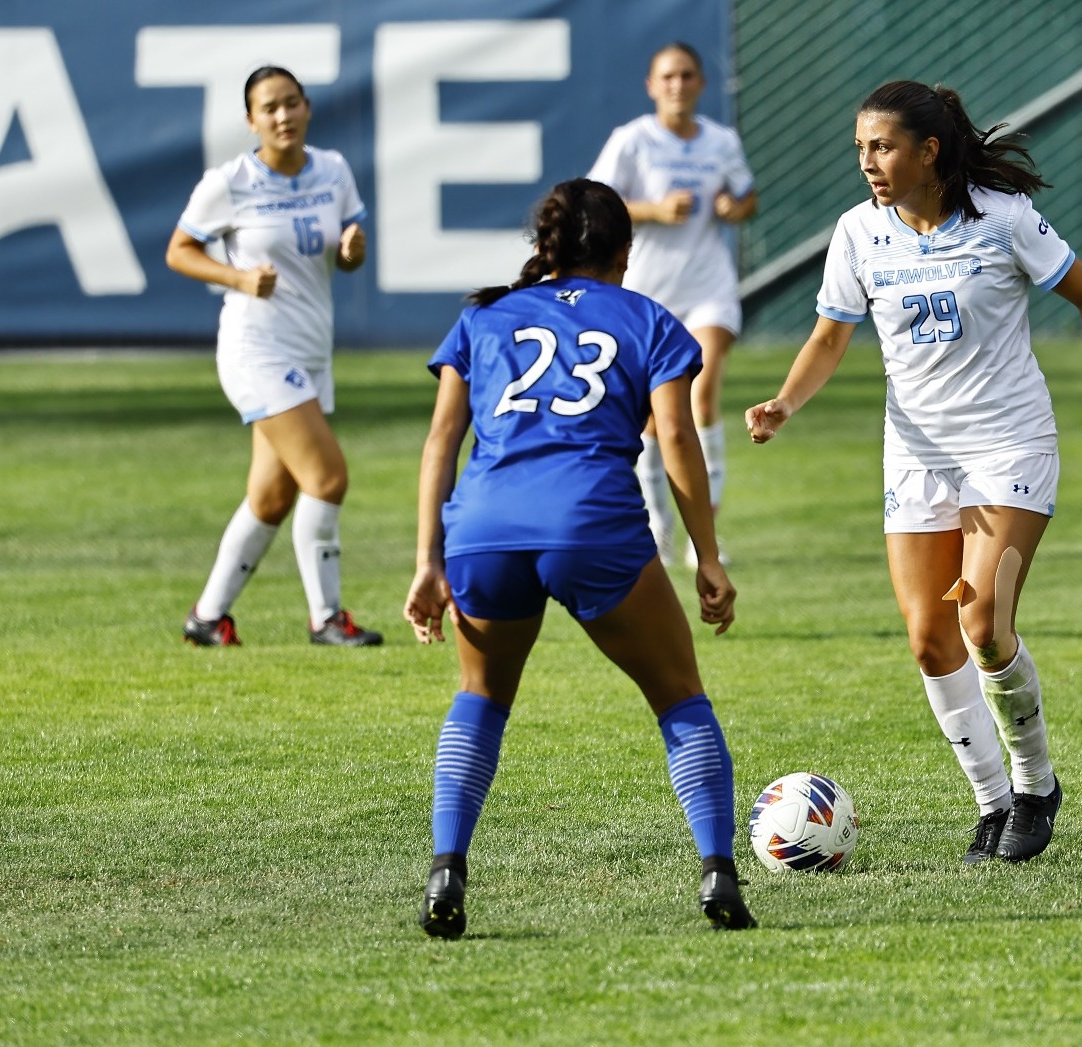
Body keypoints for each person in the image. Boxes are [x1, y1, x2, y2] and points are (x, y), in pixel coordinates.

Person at [744, 81, 1082, 866]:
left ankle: (1034, 786)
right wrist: (785, 403)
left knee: (981, 623)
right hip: (918, 457)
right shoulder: (859, 232)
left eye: (882, 146)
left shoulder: (1002, 218)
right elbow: (829, 338)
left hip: (1008, 448)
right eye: (859, 148)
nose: (868, 163)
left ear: (928, 151)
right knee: (931, 640)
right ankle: (992, 805)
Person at [404, 178, 754, 937]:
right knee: (678, 694)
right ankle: (717, 873)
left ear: (545, 248)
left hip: (484, 527)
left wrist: (428, 559)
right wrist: (708, 556)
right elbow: (677, 441)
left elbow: (440, 442)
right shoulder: (647, 319)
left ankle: (445, 867)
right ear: (626, 254)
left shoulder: (485, 316)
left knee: (480, 697)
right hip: (588, 522)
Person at [166, 65, 382, 648]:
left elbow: (346, 254)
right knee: (327, 476)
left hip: (310, 349)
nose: (283, 116)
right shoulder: (230, 180)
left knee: (272, 496)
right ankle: (328, 619)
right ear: (251, 120)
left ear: (307, 107)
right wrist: (236, 277)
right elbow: (179, 251)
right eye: (270, 108)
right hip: (255, 348)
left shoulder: (333, 170)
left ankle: (207, 619)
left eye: (292, 103)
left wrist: (352, 250)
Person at [587, 41, 758, 566]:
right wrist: (653, 210)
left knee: (701, 399)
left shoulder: (721, 141)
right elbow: (596, 200)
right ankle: (659, 528)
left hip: (708, 288)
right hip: (647, 294)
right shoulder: (632, 140)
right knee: (655, 420)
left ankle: (705, 533)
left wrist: (735, 206)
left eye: (686, 75)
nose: (677, 85)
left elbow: (747, 197)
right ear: (651, 86)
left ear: (701, 83)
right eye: (668, 77)